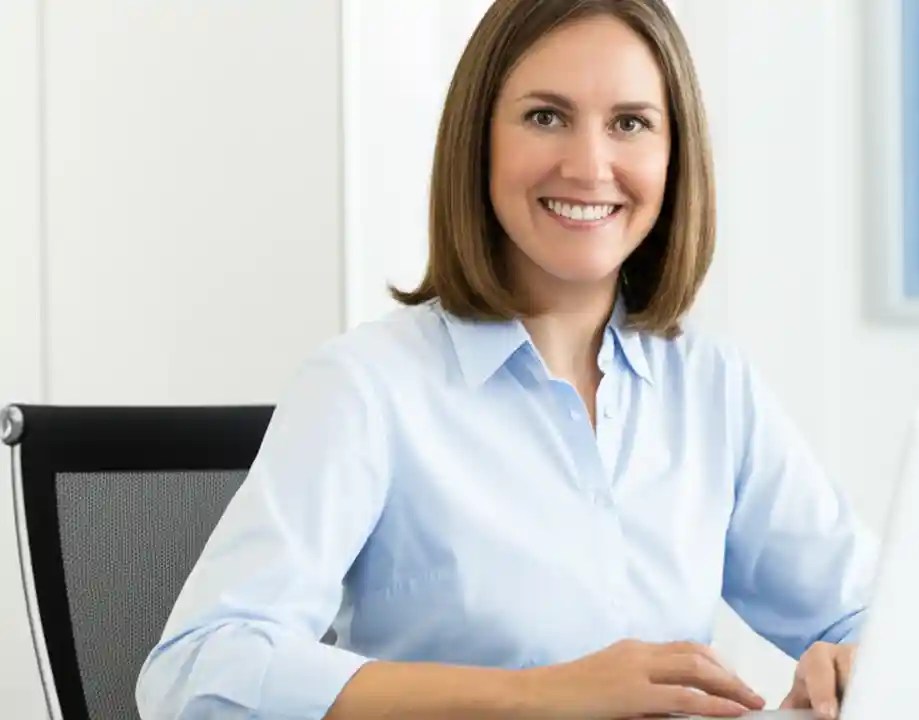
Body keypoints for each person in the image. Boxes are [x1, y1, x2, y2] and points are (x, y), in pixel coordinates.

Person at [135, 0, 878, 718]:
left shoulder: (713, 387)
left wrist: (852, 657)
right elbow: (198, 669)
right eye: (545, 116)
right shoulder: (369, 387)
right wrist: (538, 698)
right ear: (479, 140)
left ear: (673, 154)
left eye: (630, 123)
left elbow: (870, 613)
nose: (590, 167)